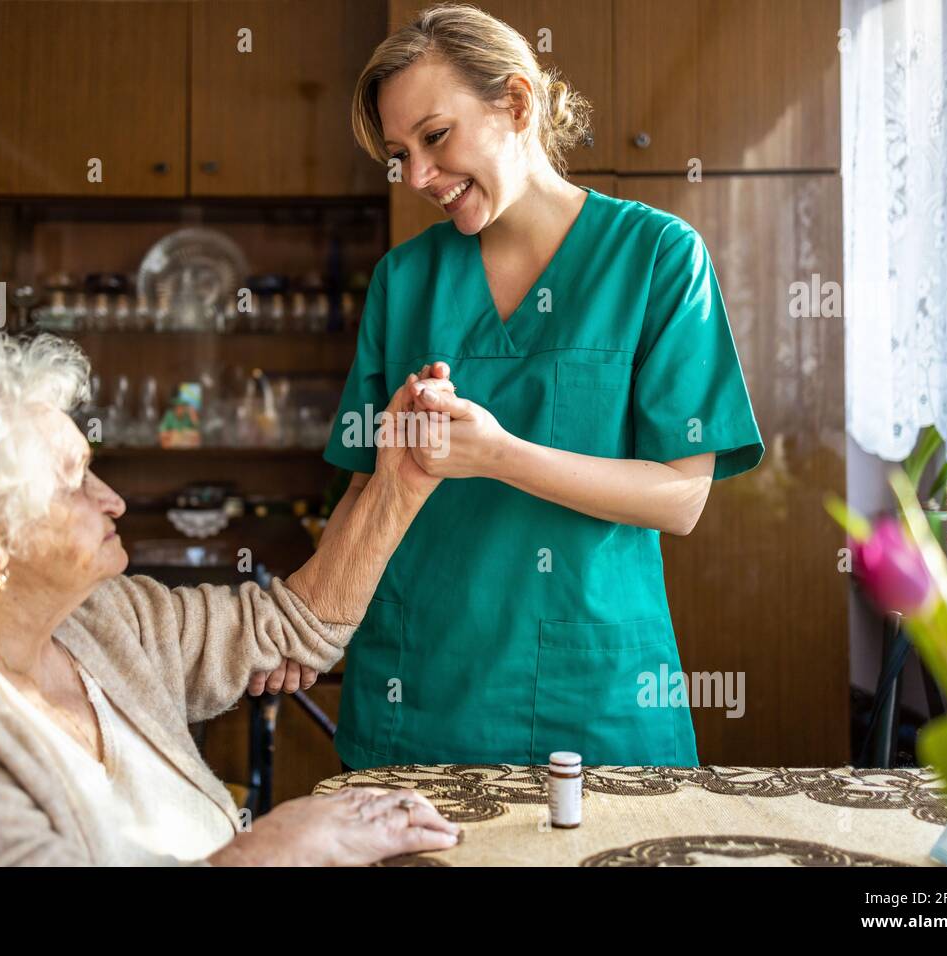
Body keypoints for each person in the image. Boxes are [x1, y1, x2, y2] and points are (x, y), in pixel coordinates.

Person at [0, 325, 461, 865]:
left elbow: (286, 625)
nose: (114, 501)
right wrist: (273, 849)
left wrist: (398, 483)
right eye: (74, 481)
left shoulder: (98, 619)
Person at [321, 4, 765, 770]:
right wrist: (300, 625)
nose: (419, 176)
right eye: (400, 155)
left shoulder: (658, 258)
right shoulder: (405, 280)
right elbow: (363, 494)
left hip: (592, 694)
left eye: (435, 137)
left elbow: (681, 497)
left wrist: (497, 454)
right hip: (418, 686)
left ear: (517, 103)